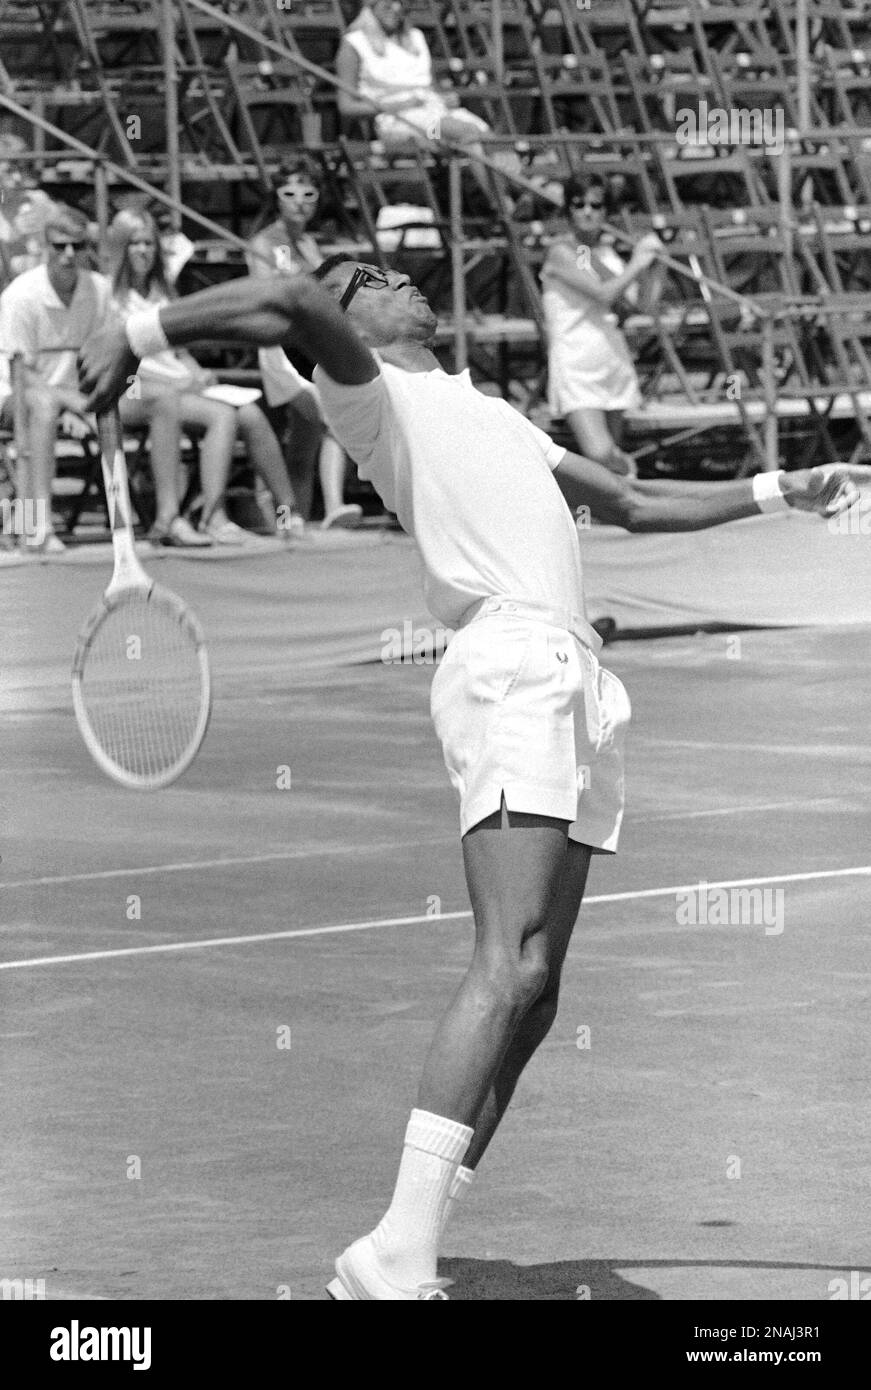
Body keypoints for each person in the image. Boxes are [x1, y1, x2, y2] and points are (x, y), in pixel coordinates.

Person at [79, 257, 858, 1301]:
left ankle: (400, 1243)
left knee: (535, 993)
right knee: (507, 959)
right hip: (509, 669)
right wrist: (137, 332)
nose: (400, 274)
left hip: (576, 676)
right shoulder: (372, 395)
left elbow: (625, 499)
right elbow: (292, 299)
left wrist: (779, 489)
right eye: (370, 275)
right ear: (345, 326)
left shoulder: (486, 410)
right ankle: (396, 1251)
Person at [110, 209, 302, 545]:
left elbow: (179, 349)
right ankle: (213, 516)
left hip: (178, 384)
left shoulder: (162, 291)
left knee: (253, 415)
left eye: (148, 244)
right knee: (222, 415)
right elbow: (119, 367)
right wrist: (174, 384)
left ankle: (288, 515)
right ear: (121, 248)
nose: (143, 250)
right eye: (135, 244)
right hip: (144, 391)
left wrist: (199, 374)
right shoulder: (109, 298)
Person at [0, 203, 181, 554]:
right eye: (59, 246)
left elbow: (106, 359)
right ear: (44, 246)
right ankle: (36, 525)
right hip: (15, 394)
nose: (69, 254)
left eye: (78, 246)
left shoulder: (99, 290)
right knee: (43, 405)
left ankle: (168, 518)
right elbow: (21, 376)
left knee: (165, 397)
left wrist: (88, 401)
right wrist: (70, 406)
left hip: (78, 396)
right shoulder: (20, 296)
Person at [245, 160, 362, 528]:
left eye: (308, 194)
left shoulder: (309, 244)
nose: (299, 202)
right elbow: (273, 292)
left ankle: (293, 521)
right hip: (281, 347)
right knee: (330, 418)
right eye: (290, 194)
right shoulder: (267, 242)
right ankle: (334, 507)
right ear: (276, 199)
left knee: (303, 445)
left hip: (312, 345)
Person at [541, 173, 666, 477]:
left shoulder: (609, 255)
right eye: (578, 204)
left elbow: (643, 306)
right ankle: (630, 473)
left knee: (608, 461)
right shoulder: (559, 252)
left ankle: (621, 509)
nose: (587, 211)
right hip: (575, 363)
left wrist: (657, 266)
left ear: (605, 212)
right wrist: (638, 262)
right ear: (568, 210)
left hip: (611, 357)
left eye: (596, 205)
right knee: (600, 453)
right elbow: (603, 294)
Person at [336, 1, 520, 206]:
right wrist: (398, 106)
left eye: (401, 3)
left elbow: (428, 85)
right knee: (465, 131)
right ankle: (503, 204)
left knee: (490, 138)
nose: (396, 8)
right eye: (388, 4)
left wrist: (443, 96)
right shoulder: (355, 43)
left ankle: (522, 195)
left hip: (433, 112)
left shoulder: (415, 38)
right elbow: (347, 106)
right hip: (400, 125)